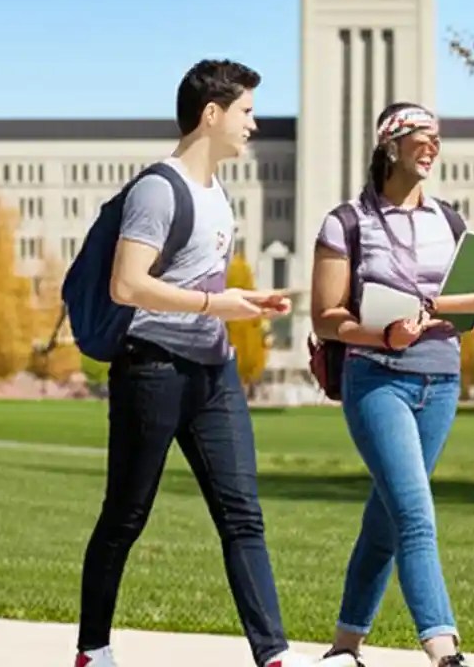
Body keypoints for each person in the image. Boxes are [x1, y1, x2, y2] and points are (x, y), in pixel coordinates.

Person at [74, 59, 320, 667]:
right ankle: (93, 649)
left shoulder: (219, 195)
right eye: (246, 111)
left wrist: (245, 304)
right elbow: (127, 284)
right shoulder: (161, 188)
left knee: (243, 517)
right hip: (152, 370)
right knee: (125, 516)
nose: (254, 124)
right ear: (211, 115)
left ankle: (273, 655)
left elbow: (196, 281)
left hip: (214, 373)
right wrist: (217, 303)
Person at [310, 102, 474, 667]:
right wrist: (384, 336)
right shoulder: (347, 221)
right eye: (418, 137)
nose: (430, 146)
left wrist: (448, 305)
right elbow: (325, 316)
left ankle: (345, 647)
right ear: (389, 146)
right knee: (416, 514)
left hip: (441, 379)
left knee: (388, 514)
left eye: (436, 138)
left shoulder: (449, 220)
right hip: (377, 378)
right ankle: (443, 649)